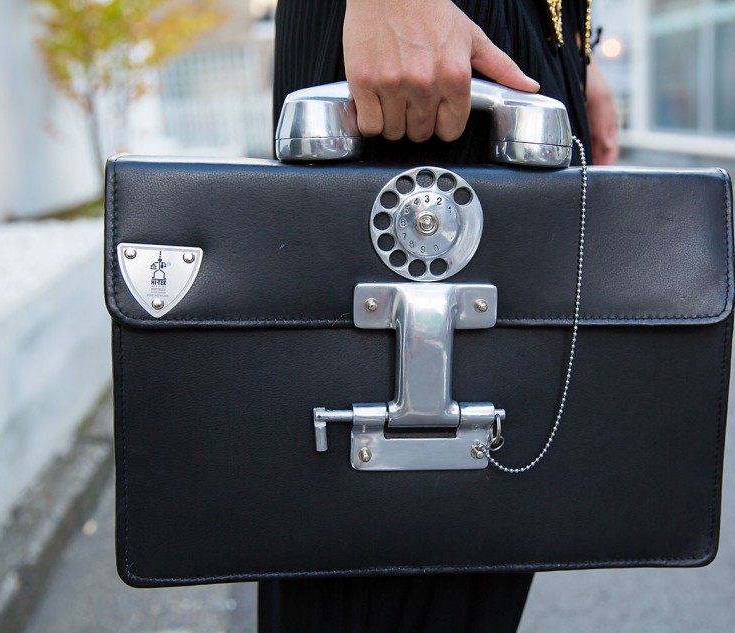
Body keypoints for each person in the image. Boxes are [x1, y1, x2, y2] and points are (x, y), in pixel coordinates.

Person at [262, 1, 619, 631]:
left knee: (489, 549)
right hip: (420, 27)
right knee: (361, 569)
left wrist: (576, 56)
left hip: (533, 39)